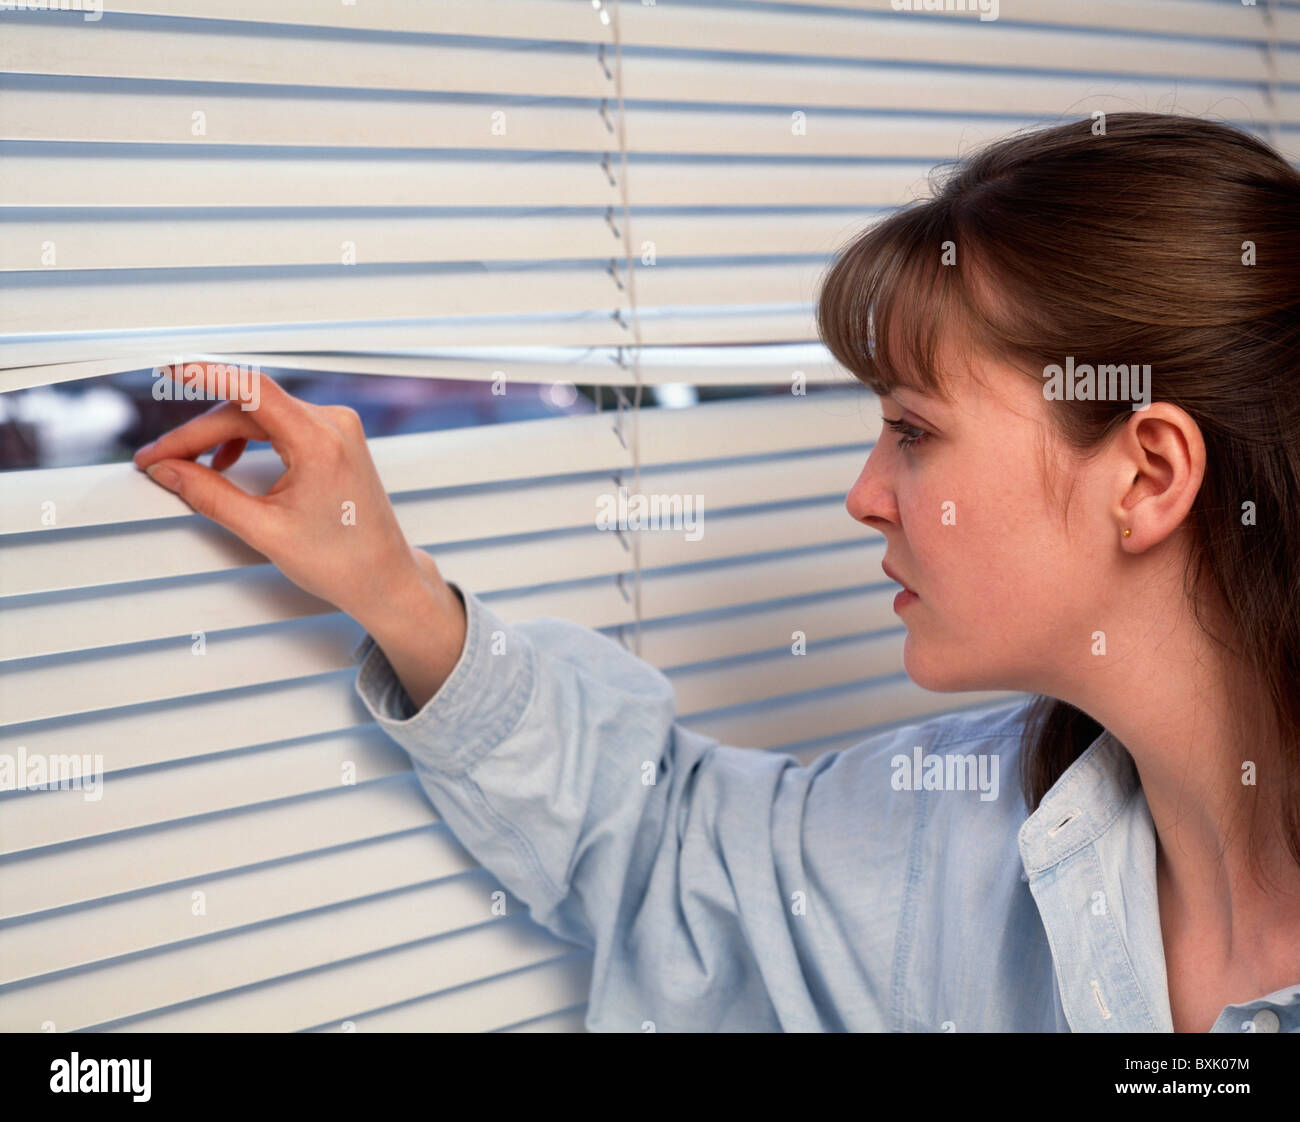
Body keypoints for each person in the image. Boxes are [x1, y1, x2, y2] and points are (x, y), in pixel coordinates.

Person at [133, 112, 1300, 1033]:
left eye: (913, 431)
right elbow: (662, 852)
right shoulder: (953, 836)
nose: (863, 494)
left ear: (1144, 476)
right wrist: (393, 589)